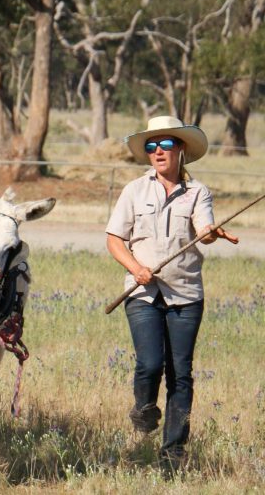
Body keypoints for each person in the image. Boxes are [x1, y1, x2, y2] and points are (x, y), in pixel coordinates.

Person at [105, 115, 238, 469]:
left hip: (186, 294)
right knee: (150, 365)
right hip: (142, 292)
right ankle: (144, 408)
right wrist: (136, 269)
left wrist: (213, 233)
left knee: (180, 372)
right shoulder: (134, 190)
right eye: (152, 146)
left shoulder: (198, 192)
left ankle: (173, 454)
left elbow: (203, 230)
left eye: (166, 145)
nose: (158, 152)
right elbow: (114, 240)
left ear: (181, 150)